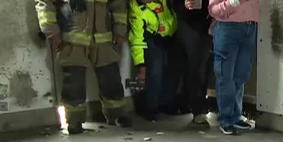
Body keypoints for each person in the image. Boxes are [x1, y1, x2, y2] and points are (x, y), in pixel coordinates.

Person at [36, 0, 132, 134]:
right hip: (72, 39)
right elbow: (45, 3)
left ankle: (117, 114)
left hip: (104, 38)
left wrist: (120, 31)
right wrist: (52, 32)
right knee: (73, 82)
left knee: (111, 78)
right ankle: (74, 120)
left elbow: (119, 5)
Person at [208, 0, 258, 135]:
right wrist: (234, 2)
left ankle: (235, 116)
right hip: (227, 27)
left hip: (250, 27)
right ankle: (226, 119)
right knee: (225, 75)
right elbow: (213, 9)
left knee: (241, 75)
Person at [129, 0, 184, 121]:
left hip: (172, 36)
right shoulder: (136, 7)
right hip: (152, 37)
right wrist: (141, 64)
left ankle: (166, 104)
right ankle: (151, 109)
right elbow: (136, 39)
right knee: (155, 71)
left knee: (174, 69)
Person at [172, 0, 213, 128]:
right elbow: (174, 4)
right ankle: (198, 109)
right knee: (196, 67)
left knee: (202, 67)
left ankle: (197, 107)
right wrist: (183, 5)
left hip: (207, 24)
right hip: (188, 24)